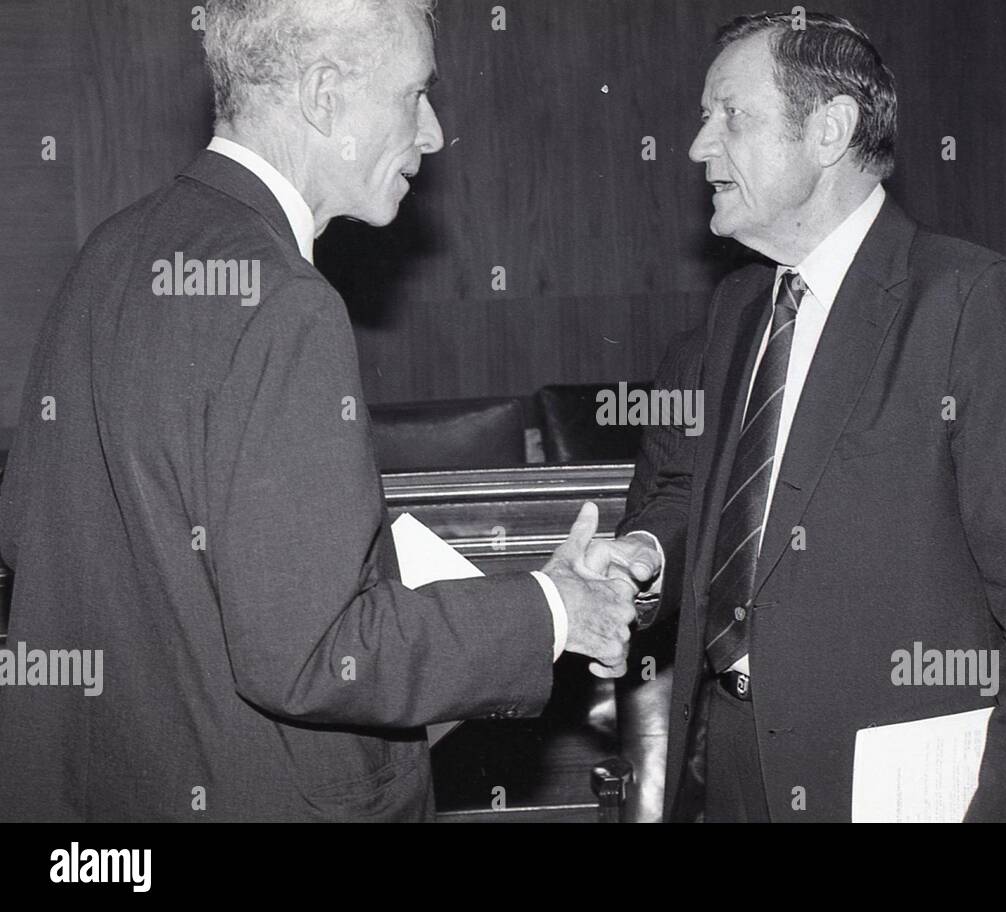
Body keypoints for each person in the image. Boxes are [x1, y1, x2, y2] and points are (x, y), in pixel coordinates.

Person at [0, 0, 635, 822]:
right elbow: (309, 654)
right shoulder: (287, 301)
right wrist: (553, 610)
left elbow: (29, 531)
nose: (434, 133)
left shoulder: (113, 249)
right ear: (325, 94)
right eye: (415, 95)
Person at [597, 11, 1006, 822]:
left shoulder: (968, 302)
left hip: (903, 786)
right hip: (728, 772)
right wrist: (645, 557)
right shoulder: (737, 307)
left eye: (729, 115)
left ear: (830, 129)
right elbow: (691, 495)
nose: (698, 146)